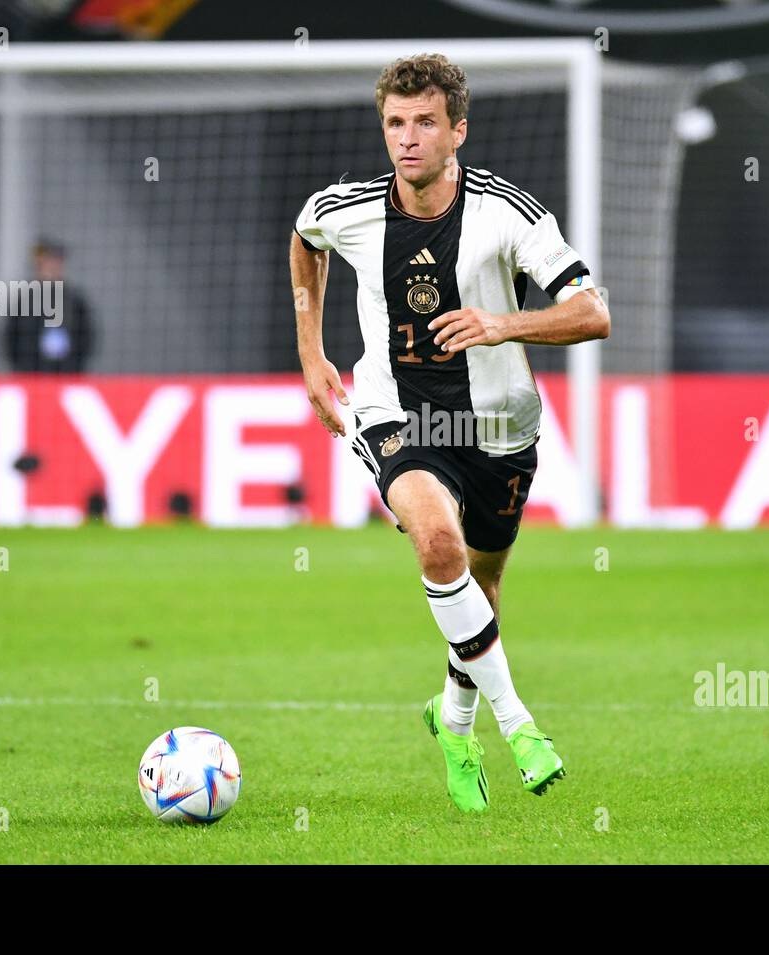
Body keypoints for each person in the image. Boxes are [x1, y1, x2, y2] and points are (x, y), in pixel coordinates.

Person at [289, 54, 610, 813]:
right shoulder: (349, 207)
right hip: (397, 415)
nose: (407, 138)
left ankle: (454, 725)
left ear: (457, 130)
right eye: (395, 123)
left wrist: (501, 323)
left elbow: (592, 312)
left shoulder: (509, 213)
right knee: (437, 545)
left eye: (425, 122)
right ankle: (518, 724)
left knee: (483, 587)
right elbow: (306, 241)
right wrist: (310, 351)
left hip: (499, 425)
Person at [5, 239, 95, 374]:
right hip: (32, 375)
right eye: (48, 262)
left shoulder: (74, 301)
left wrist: (74, 366)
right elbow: (12, 338)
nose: (53, 267)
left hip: (66, 375)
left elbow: (86, 337)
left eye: (57, 262)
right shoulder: (25, 299)